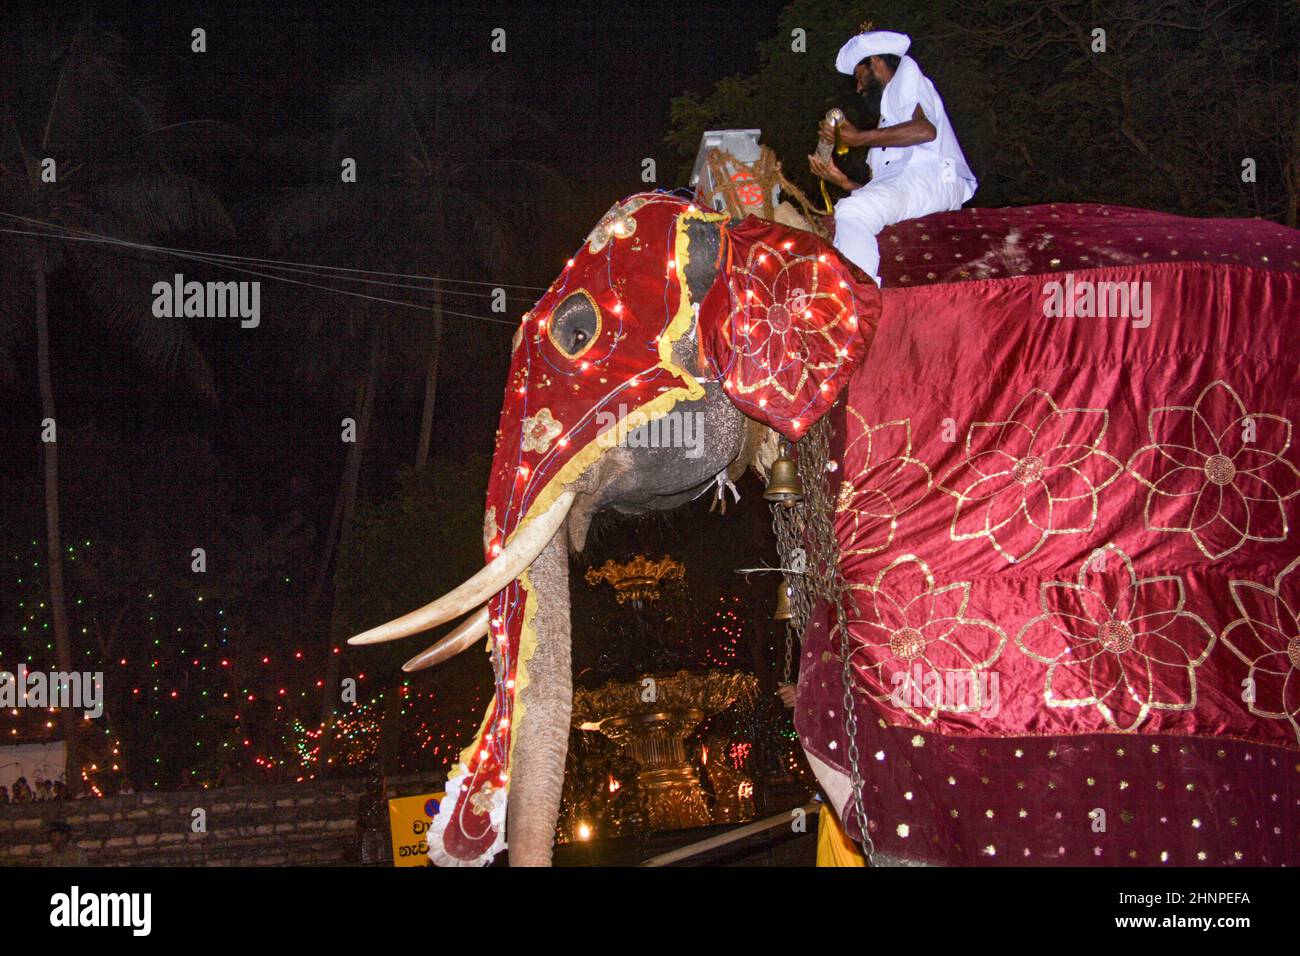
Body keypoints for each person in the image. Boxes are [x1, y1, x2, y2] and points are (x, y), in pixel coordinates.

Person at [808, 28, 977, 286]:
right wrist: (843, 182)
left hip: (935, 176)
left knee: (852, 211)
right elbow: (887, 193)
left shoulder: (906, 76)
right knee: (848, 216)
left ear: (875, 62)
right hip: (920, 183)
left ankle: (861, 300)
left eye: (859, 75)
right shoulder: (889, 113)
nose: (858, 86)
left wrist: (858, 138)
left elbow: (925, 130)